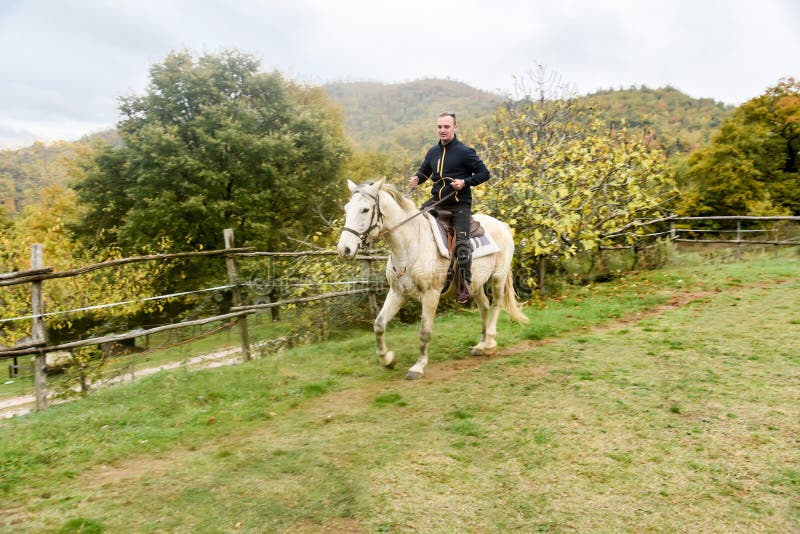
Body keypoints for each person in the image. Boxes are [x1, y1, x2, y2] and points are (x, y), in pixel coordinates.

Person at [409, 111, 490, 303]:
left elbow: (484, 173)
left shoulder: (465, 152)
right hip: (435, 203)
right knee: (413, 226)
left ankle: (464, 285)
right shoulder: (433, 152)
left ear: (455, 127)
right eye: (439, 127)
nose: (442, 130)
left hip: (459, 205)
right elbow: (424, 172)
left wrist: (465, 182)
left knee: (461, 244)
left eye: (446, 126)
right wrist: (416, 179)